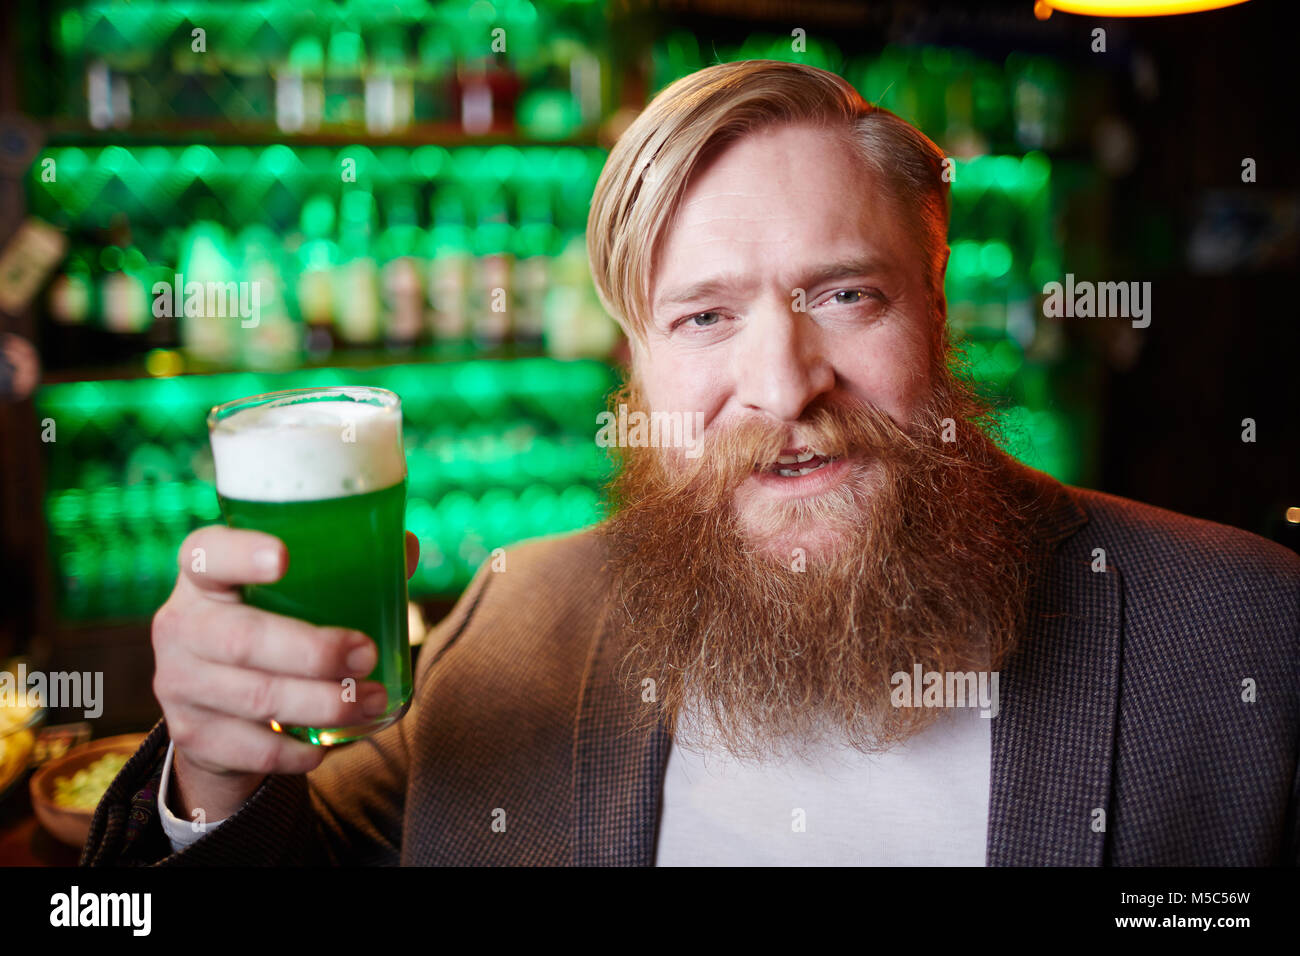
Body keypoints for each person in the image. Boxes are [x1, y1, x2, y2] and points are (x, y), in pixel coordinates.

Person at [84, 60, 1299, 866]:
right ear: (637, 373)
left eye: (843, 292)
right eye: (703, 317)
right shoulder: (512, 626)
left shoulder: (1246, 632)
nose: (782, 384)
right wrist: (213, 776)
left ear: (934, 307)